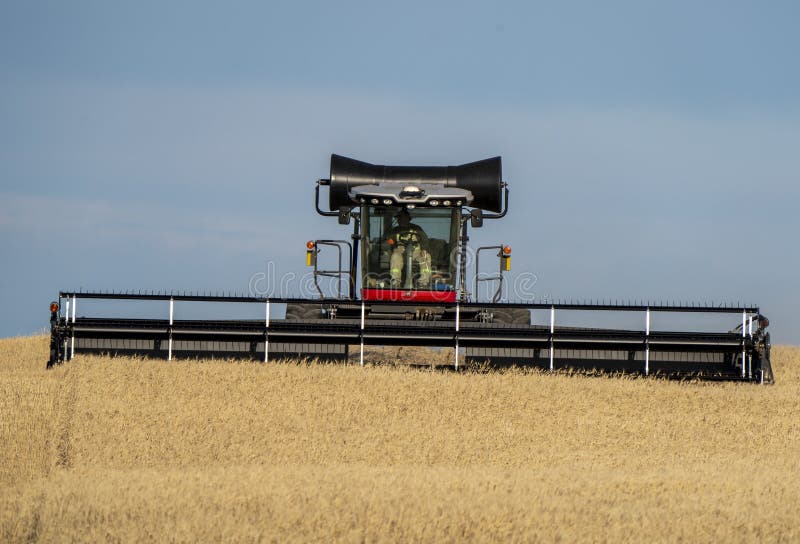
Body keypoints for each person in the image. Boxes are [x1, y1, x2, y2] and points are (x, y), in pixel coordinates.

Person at [385, 209, 432, 288]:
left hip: (416, 252)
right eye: (399, 218)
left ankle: (423, 282)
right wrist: (394, 247)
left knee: (426, 257)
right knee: (395, 256)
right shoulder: (394, 231)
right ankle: (396, 281)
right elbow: (389, 240)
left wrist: (424, 249)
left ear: (408, 219)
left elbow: (425, 239)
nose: (401, 220)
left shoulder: (417, 229)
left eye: (403, 218)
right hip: (400, 251)